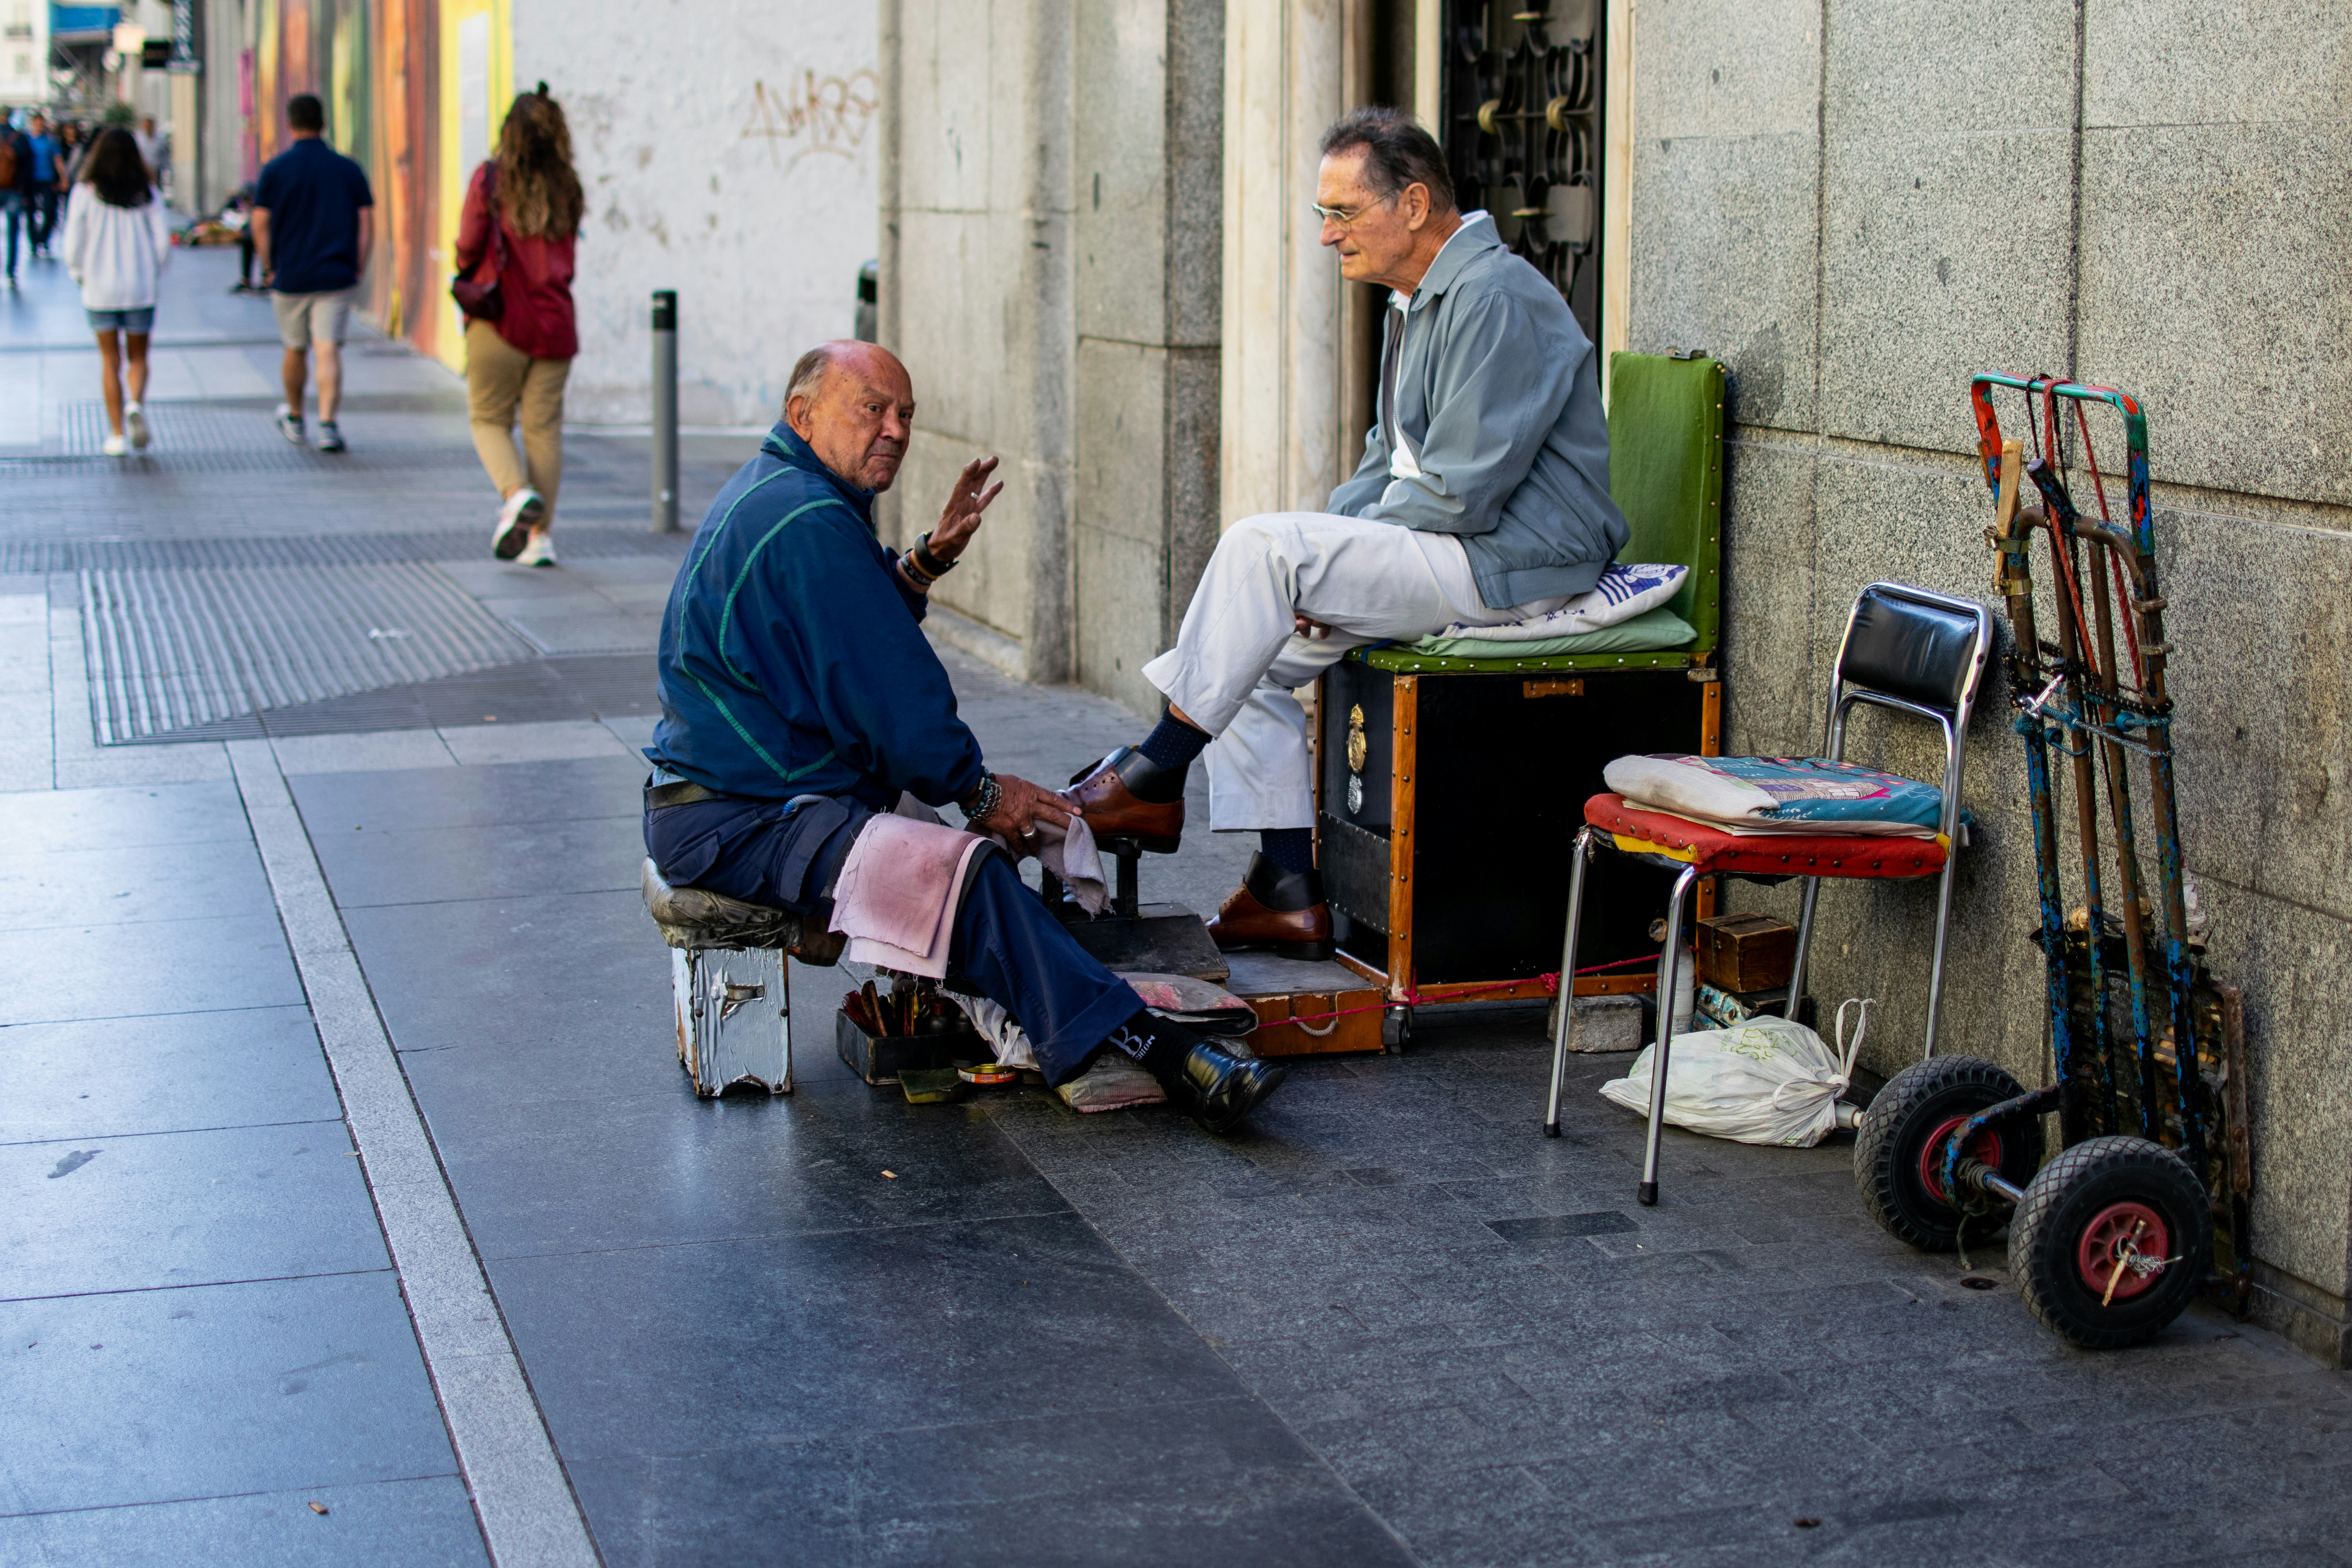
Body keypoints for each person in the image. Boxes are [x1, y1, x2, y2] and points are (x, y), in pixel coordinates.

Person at [642, 340, 1288, 1132]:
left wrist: (922, 563)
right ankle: (1153, 1046)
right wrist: (981, 791)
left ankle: (1039, 975)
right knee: (960, 873)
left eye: (905, 413)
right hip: (738, 819)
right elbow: (893, 700)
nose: (894, 429)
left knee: (945, 844)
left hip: (737, 797)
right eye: (870, 408)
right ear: (801, 414)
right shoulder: (807, 518)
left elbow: (842, 625)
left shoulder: (788, 493)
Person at [1066, 107, 1631, 957]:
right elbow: (1383, 464)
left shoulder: (1495, 295)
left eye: (1343, 212)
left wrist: (1319, 573)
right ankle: (1288, 886)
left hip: (1512, 561)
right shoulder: (1417, 299)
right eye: (1323, 215)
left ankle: (1156, 771)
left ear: (1411, 203)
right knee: (1246, 648)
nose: (1329, 235)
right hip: (1451, 548)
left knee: (1263, 550)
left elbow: (1460, 491)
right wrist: (1324, 574)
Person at [455, 85, 580, 567]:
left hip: (500, 319)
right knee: (543, 429)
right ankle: (540, 537)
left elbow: (468, 245)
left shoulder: (490, 180)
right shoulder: (569, 185)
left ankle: (515, 494)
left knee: (488, 418)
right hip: (556, 324)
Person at [252, 93, 373, 453]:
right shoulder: (348, 169)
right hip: (336, 275)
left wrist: (269, 266)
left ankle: (294, 416)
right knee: (328, 351)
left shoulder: (275, 170)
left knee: (295, 349)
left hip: (290, 276)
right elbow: (366, 223)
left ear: (290, 124)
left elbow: (259, 223)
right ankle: (328, 425)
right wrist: (358, 265)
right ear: (324, 123)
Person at [61, 127, 174, 457]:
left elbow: (72, 244)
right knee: (138, 357)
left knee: (110, 360)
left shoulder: (84, 192)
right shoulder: (148, 194)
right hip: (140, 288)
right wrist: (154, 273)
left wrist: (79, 274)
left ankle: (116, 435)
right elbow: (163, 245)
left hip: (99, 289)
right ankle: (135, 404)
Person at [0, 112, 29, 288]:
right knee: (13, 231)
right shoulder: (19, 137)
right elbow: (28, 164)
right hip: (14, 190)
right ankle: (11, 271)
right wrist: (23, 188)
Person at [24, 112, 57, 256]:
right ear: (32, 124)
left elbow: (57, 159)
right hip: (31, 179)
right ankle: (33, 241)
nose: (39, 125)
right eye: (36, 123)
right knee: (30, 210)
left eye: (41, 122)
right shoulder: (27, 140)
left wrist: (63, 177)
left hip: (47, 178)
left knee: (49, 209)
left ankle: (44, 238)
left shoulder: (50, 140)